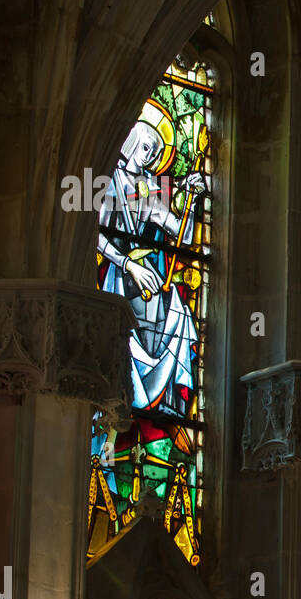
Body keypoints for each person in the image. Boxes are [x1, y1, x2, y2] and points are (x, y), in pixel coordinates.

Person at [97, 104, 206, 417]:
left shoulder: (150, 192)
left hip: (147, 283)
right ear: (131, 143)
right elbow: (96, 236)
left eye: (156, 152)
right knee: (119, 334)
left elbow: (183, 237)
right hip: (119, 277)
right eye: (146, 147)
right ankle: (113, 406)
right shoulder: (110, 182)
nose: (151, 157)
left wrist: (191, 200)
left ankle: (170, 405)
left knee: (181, 316)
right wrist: (127, 264)